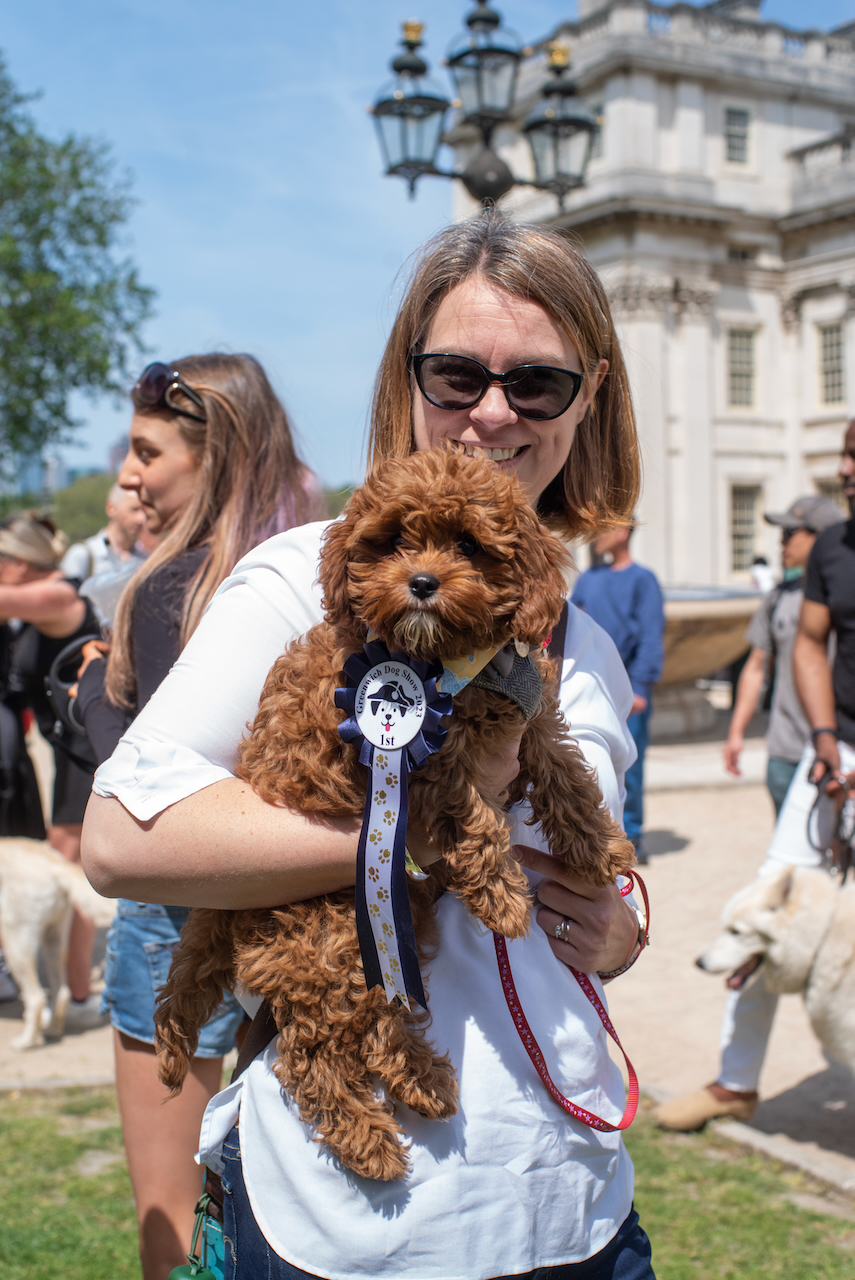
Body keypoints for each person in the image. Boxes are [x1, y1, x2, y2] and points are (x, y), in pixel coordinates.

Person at [83, 213, 655, 1280]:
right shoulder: (311, 575)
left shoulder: (586, 635)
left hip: (572, 1200)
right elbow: (121, 834)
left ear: (591, 393)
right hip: (366, 1224)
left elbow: (596, 850)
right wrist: (411, 833)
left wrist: (623, 923)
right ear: (409, 379)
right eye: (456, 374)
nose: (492, 412)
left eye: (536, 381)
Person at [75, 355, 325, 1280]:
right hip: (281, 909)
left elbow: (136, 786)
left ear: (212, 456)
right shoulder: (298, 585)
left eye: (147, 452)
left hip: (171, 923)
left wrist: (87, 696)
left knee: (170, 1217)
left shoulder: (176, 584)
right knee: (271, 1198)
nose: (130, 473)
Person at [656, 479, 849, 1133]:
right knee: (768, 903)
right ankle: (734, 1081)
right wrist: (824, 740)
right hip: (828, 753)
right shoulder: (829, 556)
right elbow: (800, 650)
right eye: (846, 461)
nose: (849, 474)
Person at [0, 511, 103, 1024]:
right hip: (68, 750)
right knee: (70, 871)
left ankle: (80, 994)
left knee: (70, 871)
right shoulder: (42, 599)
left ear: (20, 564)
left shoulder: (58, 595)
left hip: (85, 751)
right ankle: (76, 992)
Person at [723, 495, 844, 816]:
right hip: (785, 751)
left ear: (821, 536)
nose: (781, 542)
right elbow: (756, 668)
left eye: (791, 533)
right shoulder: (776, 598)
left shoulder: (844, 596)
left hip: (840, 748)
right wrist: (736, 732)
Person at [571, 524, 664, 864]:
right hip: (590, 688)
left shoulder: (643, 580)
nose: (596, 535)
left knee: (630, 767)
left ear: (624, 530)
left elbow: (652, 636)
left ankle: (632, 835)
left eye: (605, 527)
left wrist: (641, 687)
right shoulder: (588, 580)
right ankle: (598, 833)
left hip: (628, 692)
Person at [60, 484, 147, 582]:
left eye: (145, 511)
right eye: (134, 509)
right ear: (111, 508)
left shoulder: (145, 560)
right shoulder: (83, 555)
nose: (141, 519)